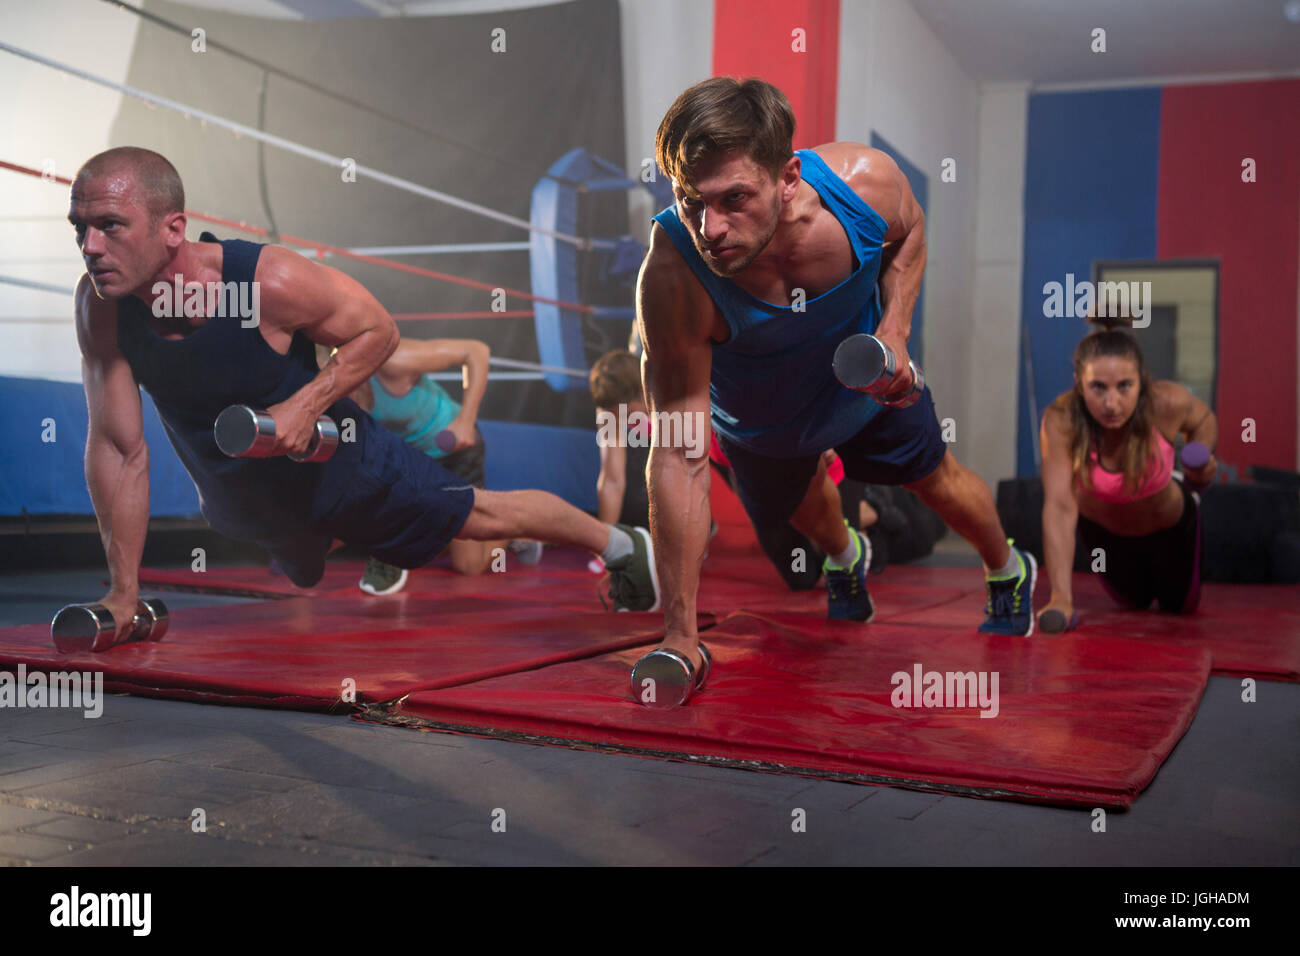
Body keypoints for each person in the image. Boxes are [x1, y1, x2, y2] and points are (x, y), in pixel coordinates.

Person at [69, 146, 657, 645]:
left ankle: (622, 544)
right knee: (302, 572)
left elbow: (380, 331)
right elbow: (120, 451)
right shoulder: (102, 309)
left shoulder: (265, 282)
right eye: (80, 227)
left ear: (173, 229)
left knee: (479, 516)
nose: (90, 246)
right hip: (240, 503)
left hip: (346, 465)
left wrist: (307, 403)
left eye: (110, 226)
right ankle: (321, 543)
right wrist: (124, 593)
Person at [635, 78, 1038, 693]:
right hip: (762, 426)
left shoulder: (863, 186)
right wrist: (679, 637)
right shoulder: (672, 275)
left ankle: (1008, 568)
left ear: (788, 176)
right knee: (812, 519)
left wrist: (896, 330)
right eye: (691, 202)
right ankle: (849, 558)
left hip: (863, 390)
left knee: (939, 482)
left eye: (734, 197)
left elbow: (910, 233)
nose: (710, 228)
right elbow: (678, 452)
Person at [1037, 324, 1218, 631]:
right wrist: (1060, 598)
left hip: (1171, 530)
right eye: (1098, 387)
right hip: (1107, 539)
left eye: (1124, 386)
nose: (1112, 404)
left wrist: (1198, 455)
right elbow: (1059, 507)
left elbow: (1203, 419)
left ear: (1141, 382)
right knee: (1133, 604)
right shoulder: (1061, 419)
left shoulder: (1167, 403)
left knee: (1179, 610)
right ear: (1079, 385)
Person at [347, 337, 542, 593]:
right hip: (413, 460)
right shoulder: (336, 388)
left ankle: (515, 534)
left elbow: (477, 351)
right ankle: (422, 533)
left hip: (455, 451)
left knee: (469, 565)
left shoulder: (394, 360)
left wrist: (466, 420)